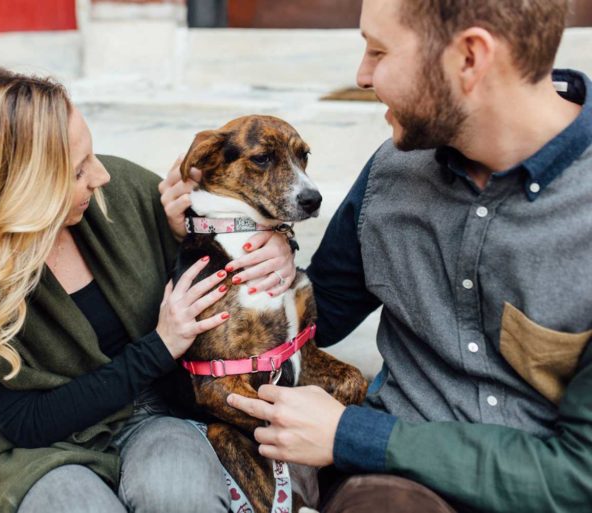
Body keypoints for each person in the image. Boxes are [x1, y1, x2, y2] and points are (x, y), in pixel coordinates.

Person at [225, 0, 592, 511]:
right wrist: (233, 224)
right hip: (392, 492)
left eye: (379, 50)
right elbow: (315, 319)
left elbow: (581, 475)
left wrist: (353, 435)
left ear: (469, 58)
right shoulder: (392, 171)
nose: (362, 75)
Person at [0, 66, 296, 513]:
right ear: (21, 189)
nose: (100, 175)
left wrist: (277, 243)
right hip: (47, 449)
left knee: (178, 491)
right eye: (79, 170)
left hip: (158, 417)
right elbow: (27, 424)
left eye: (92, 155)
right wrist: (159, 347)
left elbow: (236, 235)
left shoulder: (122, 195)